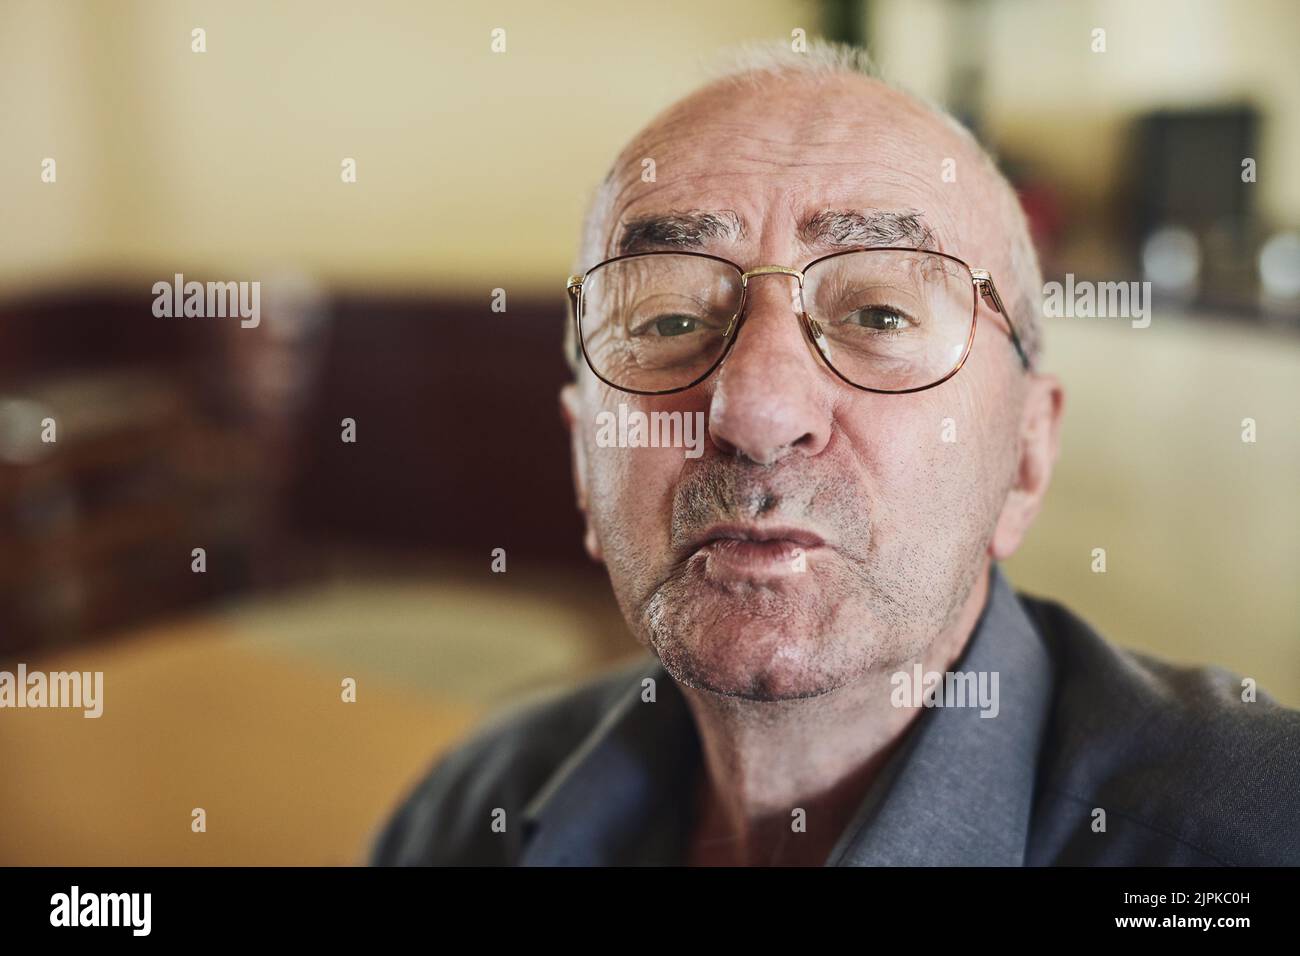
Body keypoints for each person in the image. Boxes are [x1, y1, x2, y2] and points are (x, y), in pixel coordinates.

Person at [371, 41, 1299, 866]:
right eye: (672, 319)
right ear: (585, 460)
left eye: (880, 315)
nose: (757, 413)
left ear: (1026, 454)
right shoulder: (463, 822)